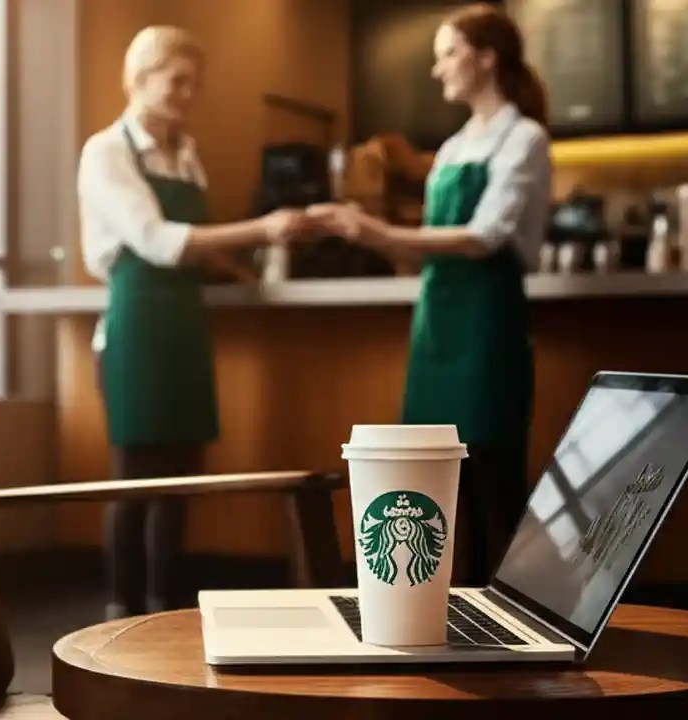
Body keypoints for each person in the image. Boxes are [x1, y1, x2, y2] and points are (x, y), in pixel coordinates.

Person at [309, 3, 551, 586]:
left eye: (447, 53)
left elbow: (484, 235)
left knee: (492, 477)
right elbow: (426, 248)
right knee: (436, 484)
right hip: (436, 328)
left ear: (486, 58)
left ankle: (513, 630)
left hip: (487, 326)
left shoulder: (523, 138)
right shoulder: (452, 148)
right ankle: (447, 619)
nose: (437, 69)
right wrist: (361, 231)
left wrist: (385, 232)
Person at [77, 26, 308, 619]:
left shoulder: (186, 152)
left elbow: (194, 248)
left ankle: (164, 616)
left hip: (182, 327)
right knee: (134, 483)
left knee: (180, 482)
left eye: (193, 84)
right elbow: (157, 241)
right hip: (136, 331)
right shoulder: (106, 152)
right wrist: (263, 229)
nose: (187, 94)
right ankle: (120, 618)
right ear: (139, 78)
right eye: (177, 80)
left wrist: (237, 270)